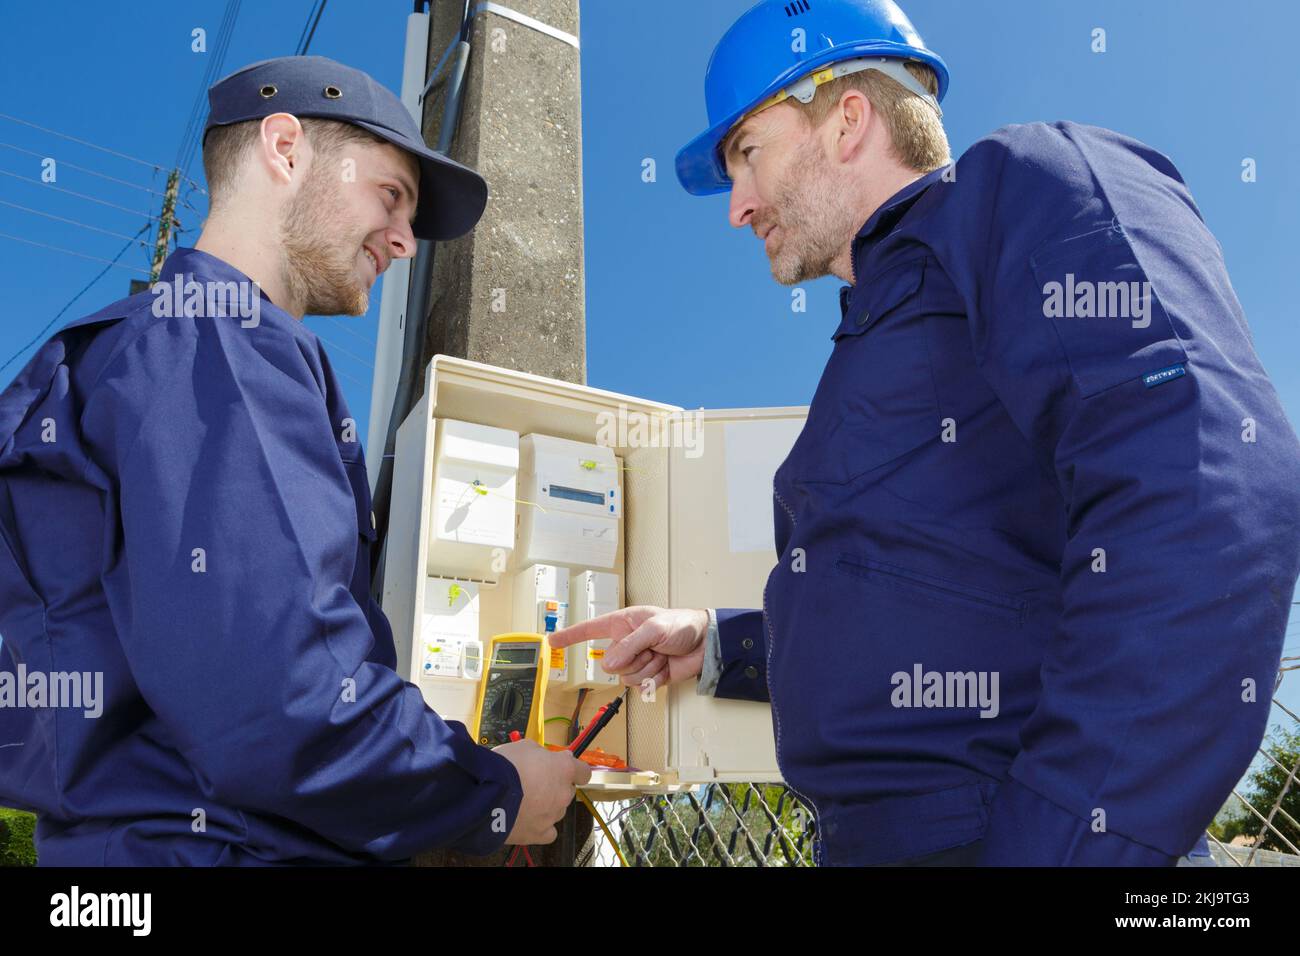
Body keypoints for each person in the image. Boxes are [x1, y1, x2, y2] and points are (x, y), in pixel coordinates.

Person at [550, 0, 1300, 866]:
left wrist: (1061, 845)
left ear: (848, 120)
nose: (738, 207)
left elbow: (1213, 485)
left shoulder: (1024, 180)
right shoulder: (881, 333)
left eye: (747, 156)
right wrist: (718, 641)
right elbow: (941, 591)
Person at [0, 55, 587, 866]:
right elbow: (281, 695)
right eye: (392, 195)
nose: (404, 242)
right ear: (285, 149)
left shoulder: (126, 353)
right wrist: (495, 793)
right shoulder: (217, 346)